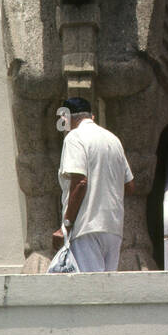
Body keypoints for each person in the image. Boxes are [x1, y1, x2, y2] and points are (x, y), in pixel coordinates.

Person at [52, 97, 134, 272]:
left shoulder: (74, 137)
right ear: (92, 117)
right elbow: (129, 186)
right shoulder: (113, 139)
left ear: (66, 117)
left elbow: (80, 183)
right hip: (113, 229)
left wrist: (66, 226)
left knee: (89, 287)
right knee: (107, 286)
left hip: (86, 228)